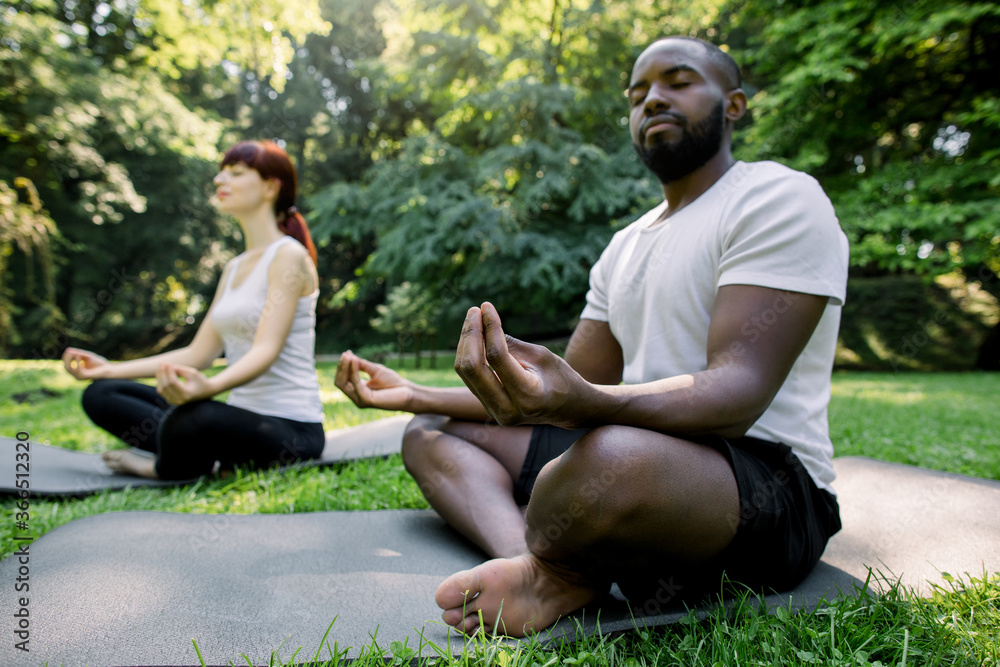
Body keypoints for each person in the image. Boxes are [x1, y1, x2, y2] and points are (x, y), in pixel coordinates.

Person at [335, 36, 848, 637]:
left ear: (733, 104)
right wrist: (413, 394)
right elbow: (564, 394)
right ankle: (543, 567)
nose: (652, 100)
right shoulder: (625, 245)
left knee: (615, 459)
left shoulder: (777, 197)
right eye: (637, 93)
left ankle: (559, 558)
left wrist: (589, 404)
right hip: (635, 445)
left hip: (764, 480)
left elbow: (738, 393)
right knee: (430, 434)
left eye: (678, 81)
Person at [63, 140, 325, 480]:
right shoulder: (234, 268)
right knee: (103, 394)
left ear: (270, 187)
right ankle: (197, 455)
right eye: (221, 173)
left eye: (236, 173)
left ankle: (161, 467)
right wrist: (109, 369)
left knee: (194, 417)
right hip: (236, 420)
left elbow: (265, 350)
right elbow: (198, 354)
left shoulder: (289, 256)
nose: (219, 180)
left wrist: (208, 389)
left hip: (290, 430)